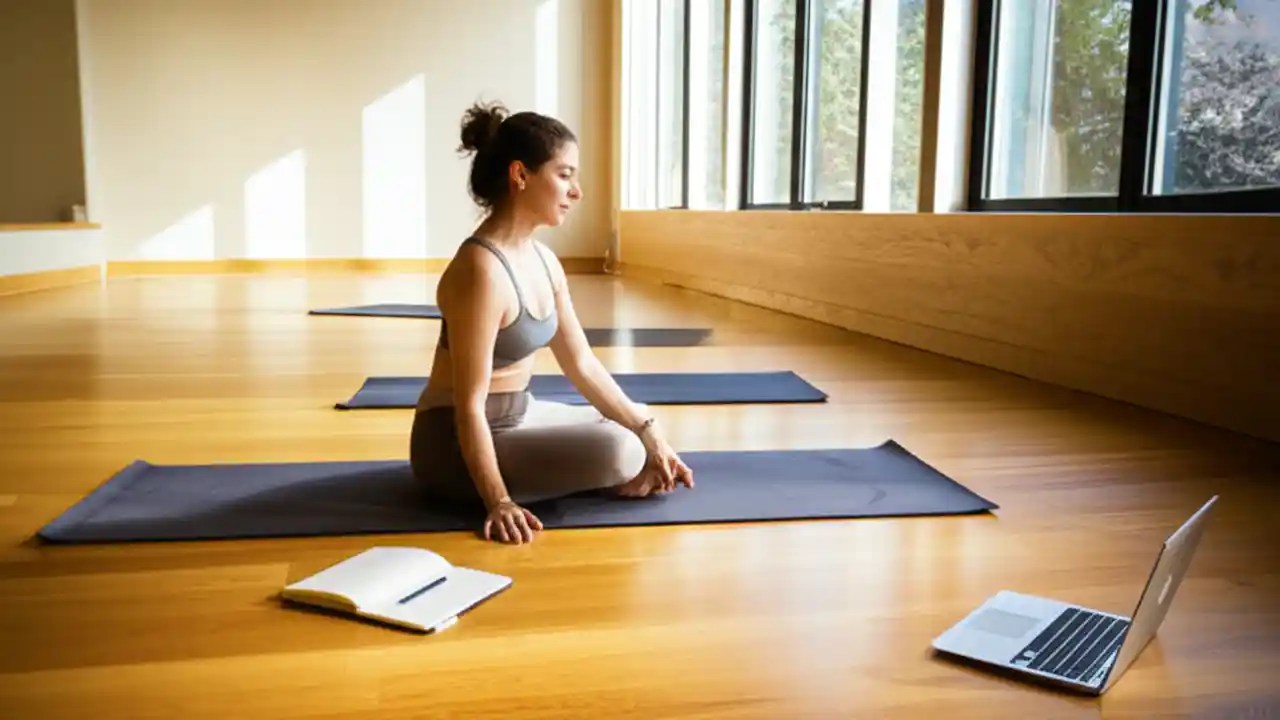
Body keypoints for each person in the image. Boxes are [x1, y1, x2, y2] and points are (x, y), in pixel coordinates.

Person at [410, 101, 694, 545]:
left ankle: (632, 451)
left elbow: (581, 362)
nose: (576, 191)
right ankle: (610, 468)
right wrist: (498, 501)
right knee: (621, 450)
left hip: (520, 415)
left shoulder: (545, 261)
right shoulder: (480, 271)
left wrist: (649, 430)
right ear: (521, 175)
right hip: (452, 445)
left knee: (632, 427)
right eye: (565, 175)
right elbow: (468, 406)